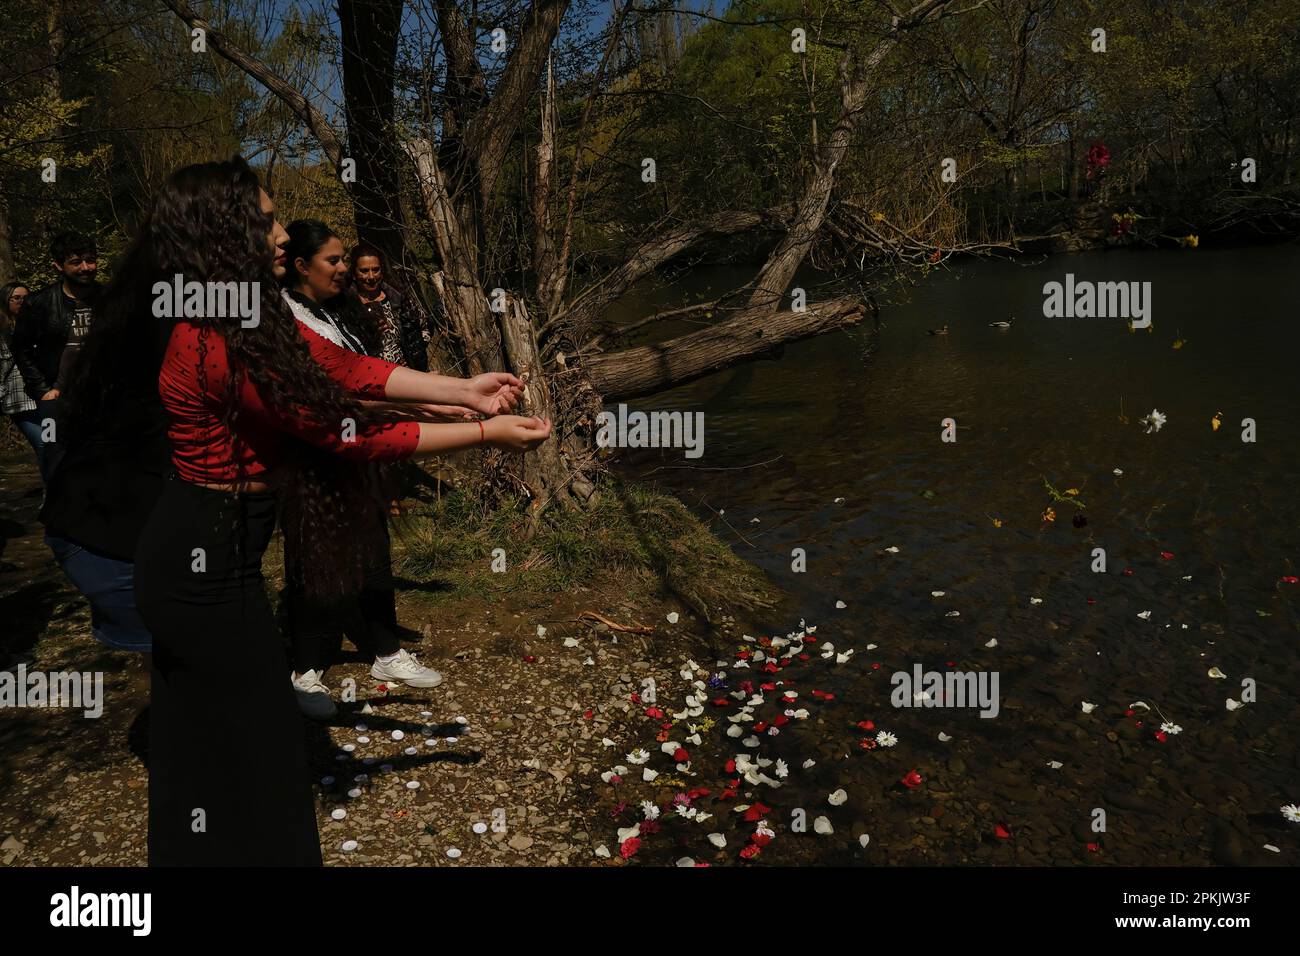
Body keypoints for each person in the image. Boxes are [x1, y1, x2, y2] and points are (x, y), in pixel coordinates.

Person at [119, 157, 549, 866]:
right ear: (222, 236)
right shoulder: (221, 335)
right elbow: (341, 432)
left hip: (209, 552)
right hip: (200, 568)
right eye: (264, 223)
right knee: (264, 746)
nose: (283, 233)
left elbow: (342, 368)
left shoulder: (247, 313)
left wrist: (462, 390)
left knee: (200, 740)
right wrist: (483, 434)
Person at [279, 219, 442, 719]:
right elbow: (319, 392)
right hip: (310, 455)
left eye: (345, 259)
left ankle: (386, 652)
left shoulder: (344, 313)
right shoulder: (284, 318)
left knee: (374, 547)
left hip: (358, 448)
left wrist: (426, 403)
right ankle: (305, 667)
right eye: (333, 260)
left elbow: (368, 376)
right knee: (312, 559)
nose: (345, 269)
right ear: (301, 266)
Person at [11, 231, 102, 480]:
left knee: (101, 465)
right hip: (55, 401)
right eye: (76, 262)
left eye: (90, 260)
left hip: (101, 398)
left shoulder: (109, 298)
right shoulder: (39, 303)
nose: (86, 267)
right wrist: (42, 390)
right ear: (58, 266)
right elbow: (21, 349)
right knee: (57, 463)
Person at [349, 242, 433, 371]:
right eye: (364, 271)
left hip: (410, 376)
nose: (371, 276)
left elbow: (425, 325)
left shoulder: (398, 298)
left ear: (382, 271)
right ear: (354, 274)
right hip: (374, 380)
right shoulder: (348, 308)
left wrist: (414, 352)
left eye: (375, 270)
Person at [1, 282, 42, 466]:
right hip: (20, 402)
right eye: (17, 298)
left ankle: (53, 488)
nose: (22, 302)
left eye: (26, 298)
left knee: (52, 443)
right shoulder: (2, 333)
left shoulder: (41, 326)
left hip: (45, 398)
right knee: (43, 443)